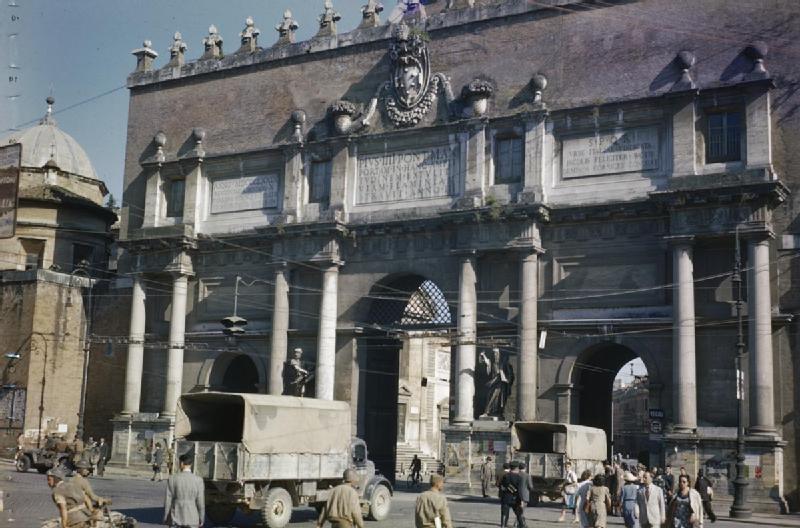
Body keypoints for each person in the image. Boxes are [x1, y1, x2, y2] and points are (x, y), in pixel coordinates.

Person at [163, 453, 205, 528]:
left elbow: (168, 500)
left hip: (176, 517)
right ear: (191, 464)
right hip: (192, 517)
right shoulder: (198, 480)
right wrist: (201, 518)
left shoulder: (172, 478)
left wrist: (166, 517)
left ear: (181, 463)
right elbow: (200, 502)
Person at [479, 348, 515, 418]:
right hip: (493, 383)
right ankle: (488, 412)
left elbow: (510, 375)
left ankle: (494, 412)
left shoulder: (504, 364)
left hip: (501, 384)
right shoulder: (493, 363)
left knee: (497, 398)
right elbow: (487, 362)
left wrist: (506, 379)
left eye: (497, 354)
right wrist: (483, 355)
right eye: (494, 354)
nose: (495, 355)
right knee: (490, 396)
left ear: (499, 355)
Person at [498, 462, 524, 528]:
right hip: (515, 499)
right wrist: (521, 500)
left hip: (506, 497)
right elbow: (520, 490)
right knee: (518, 514)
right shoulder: (519, 478)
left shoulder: (505, 476)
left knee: (504, 513)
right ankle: (522, 526)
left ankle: (503, 526)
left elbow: (501, 486)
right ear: (516, 468)